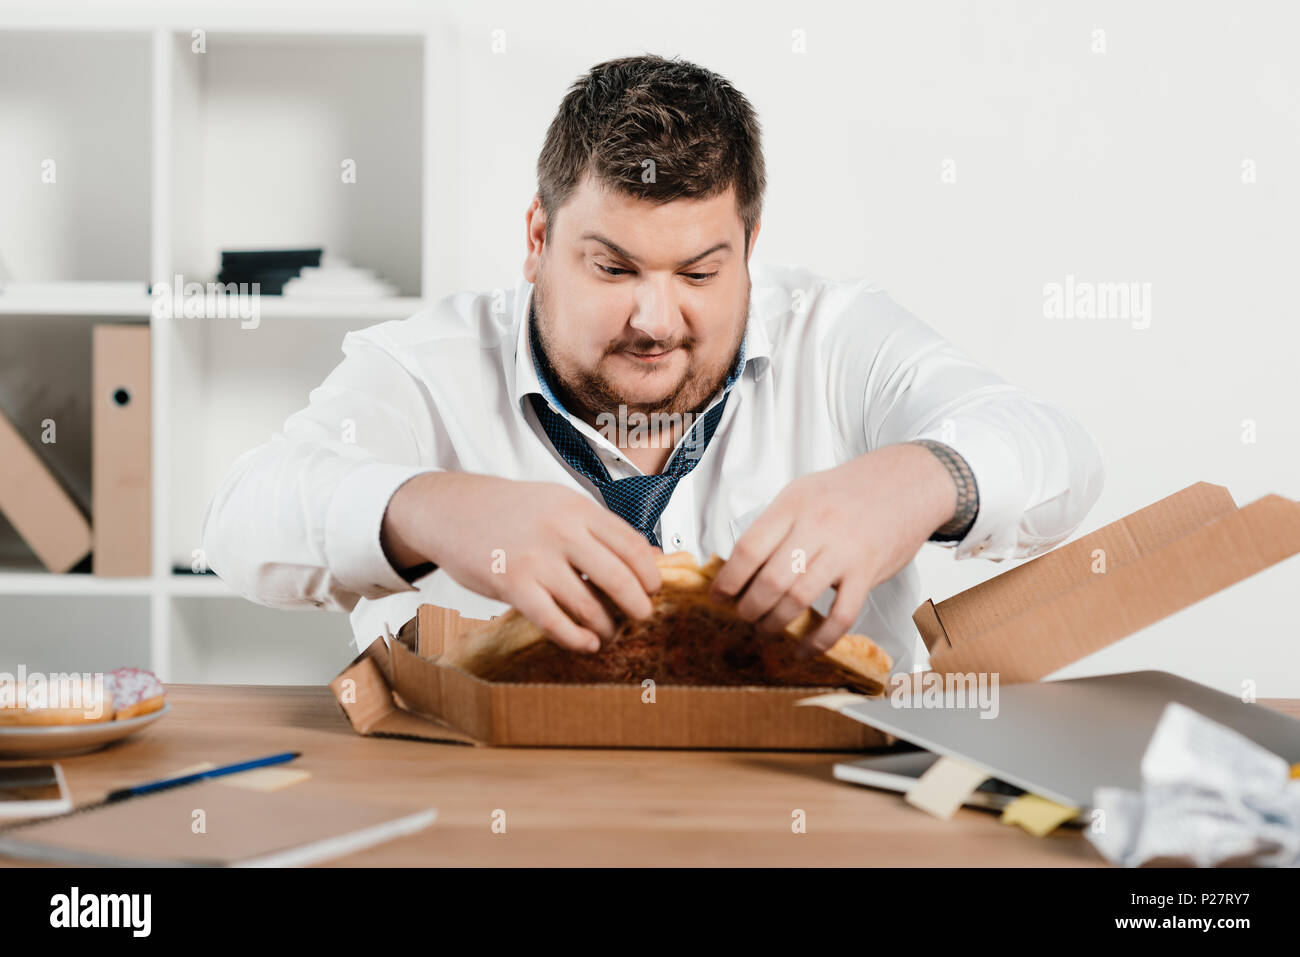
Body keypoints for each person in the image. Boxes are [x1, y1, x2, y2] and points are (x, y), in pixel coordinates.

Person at [202, 54, 1104, 674]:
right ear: (537, 237)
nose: (654, 318)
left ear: (751, 246)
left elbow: (1059, 454)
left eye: (701, 272)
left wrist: (918, 482)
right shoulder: (426, 364)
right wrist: (428, 509)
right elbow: (242, 521)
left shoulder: (837, 337)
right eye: (612, 267)